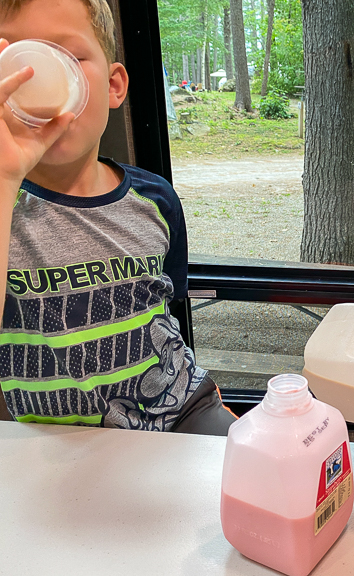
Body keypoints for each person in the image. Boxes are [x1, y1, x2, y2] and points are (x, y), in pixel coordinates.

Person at [0, 0, 237, 435]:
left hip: (183, 412)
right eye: (15, 60)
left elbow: (164, 309)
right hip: (57, 440)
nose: (36, 80)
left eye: (65, 57)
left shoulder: (154, 199)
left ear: (113, 86)